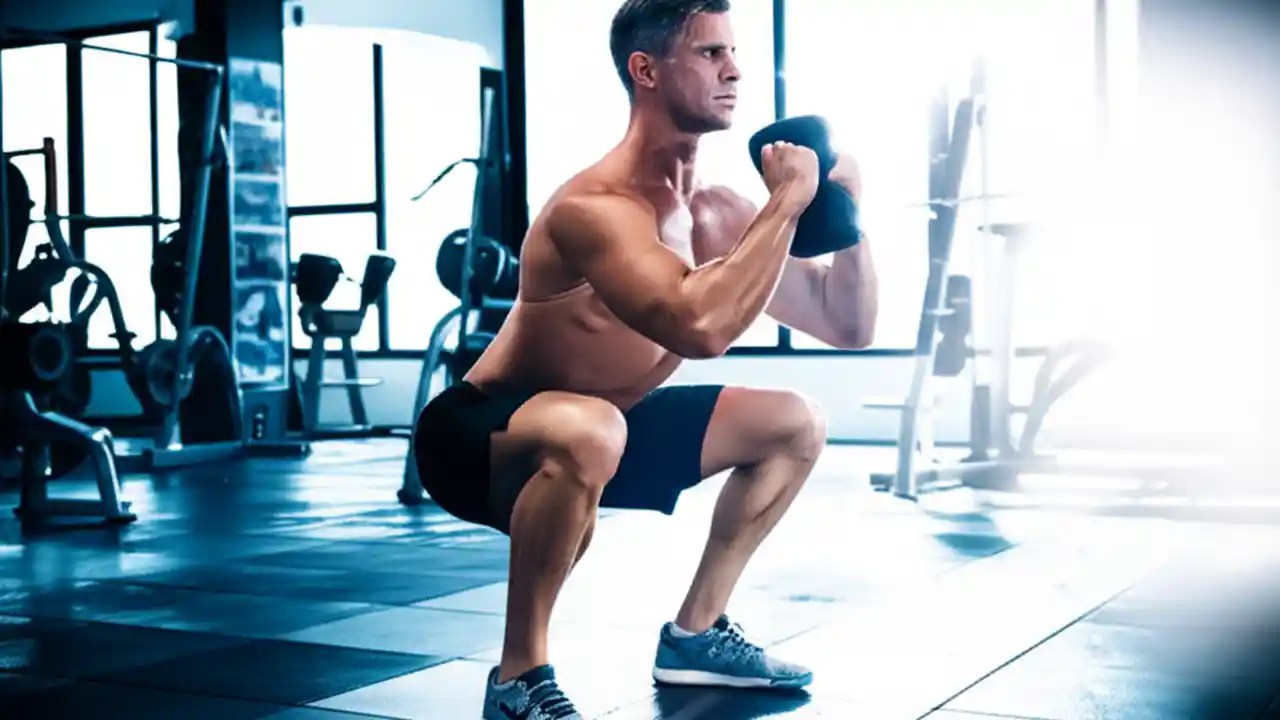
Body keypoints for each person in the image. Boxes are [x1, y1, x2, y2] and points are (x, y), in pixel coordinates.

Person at [413, 1, 879, 717]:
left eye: (733, 53)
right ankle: (517, 678)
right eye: (711, 54)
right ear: (646, 70)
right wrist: (787, 202)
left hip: (612, 425)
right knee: (592, 429)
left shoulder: (720, 215)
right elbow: (700, 327)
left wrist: (843, 211)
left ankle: (696, 634)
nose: (736, 70)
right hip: (482, 435)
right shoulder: (595, 208)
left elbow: (848, 323)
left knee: (794, 422)